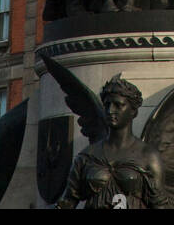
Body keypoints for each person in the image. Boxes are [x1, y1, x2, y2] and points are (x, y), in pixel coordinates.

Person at [56, 76, 166, 210]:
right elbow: (68, 201)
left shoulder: (148, 157)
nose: (110, 111)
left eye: (118, 105)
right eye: (107, 105)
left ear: (133, 111)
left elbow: (160, 205)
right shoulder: (87, 156)